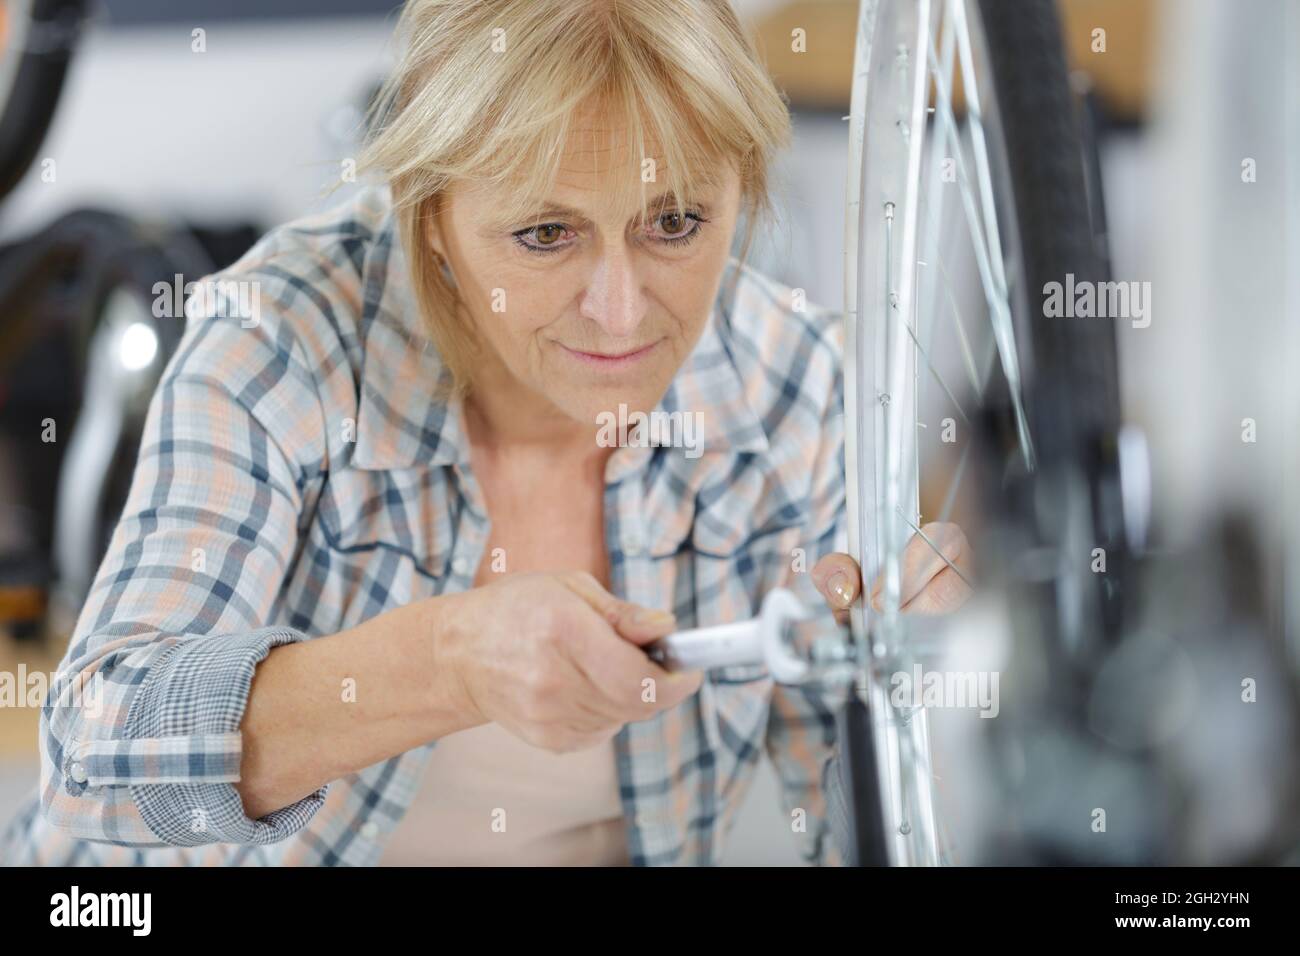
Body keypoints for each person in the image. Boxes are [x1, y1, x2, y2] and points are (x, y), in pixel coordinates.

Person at [1, 0, 969, 866]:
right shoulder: (280, 341)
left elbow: (853, 821)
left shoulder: (792, 381)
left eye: (674, 221)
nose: (622, 311)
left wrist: (918, 688)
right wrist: (450, 658)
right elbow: (98, 753)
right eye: (545, 235)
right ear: (429, 219)